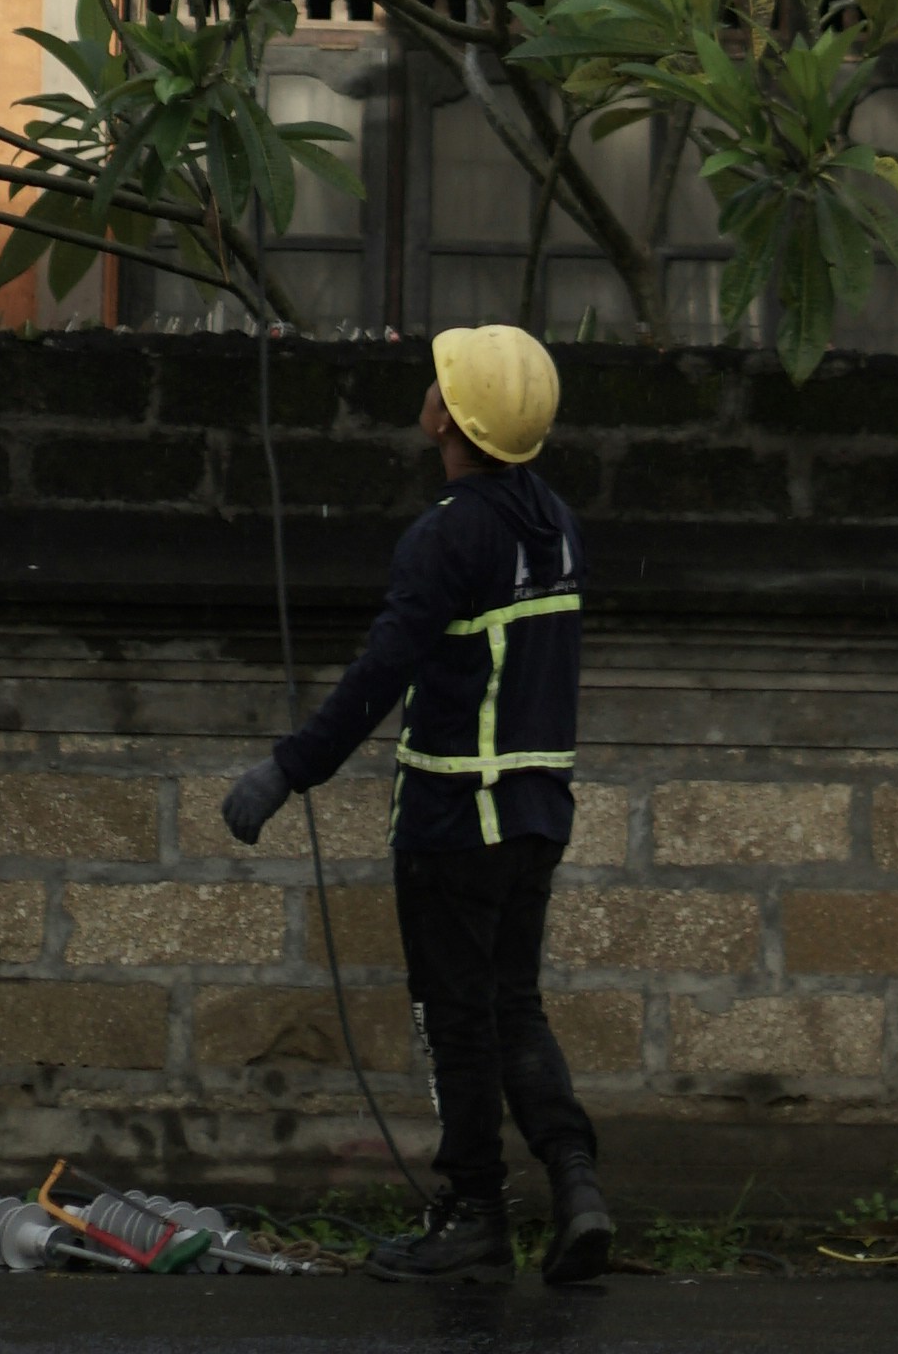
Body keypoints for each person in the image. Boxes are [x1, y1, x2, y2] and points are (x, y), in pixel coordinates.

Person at [221, 325, 608, 1290]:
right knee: (513, 1005)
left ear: (452, 418)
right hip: (536, 814)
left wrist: (286, 772)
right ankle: (576, 1182)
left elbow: (379, 673)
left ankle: (475, 1214)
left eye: (439, 382)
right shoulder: (554, 522)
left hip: (453, 819)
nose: (427, 391)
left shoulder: (446, 534)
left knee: (457, 1021)